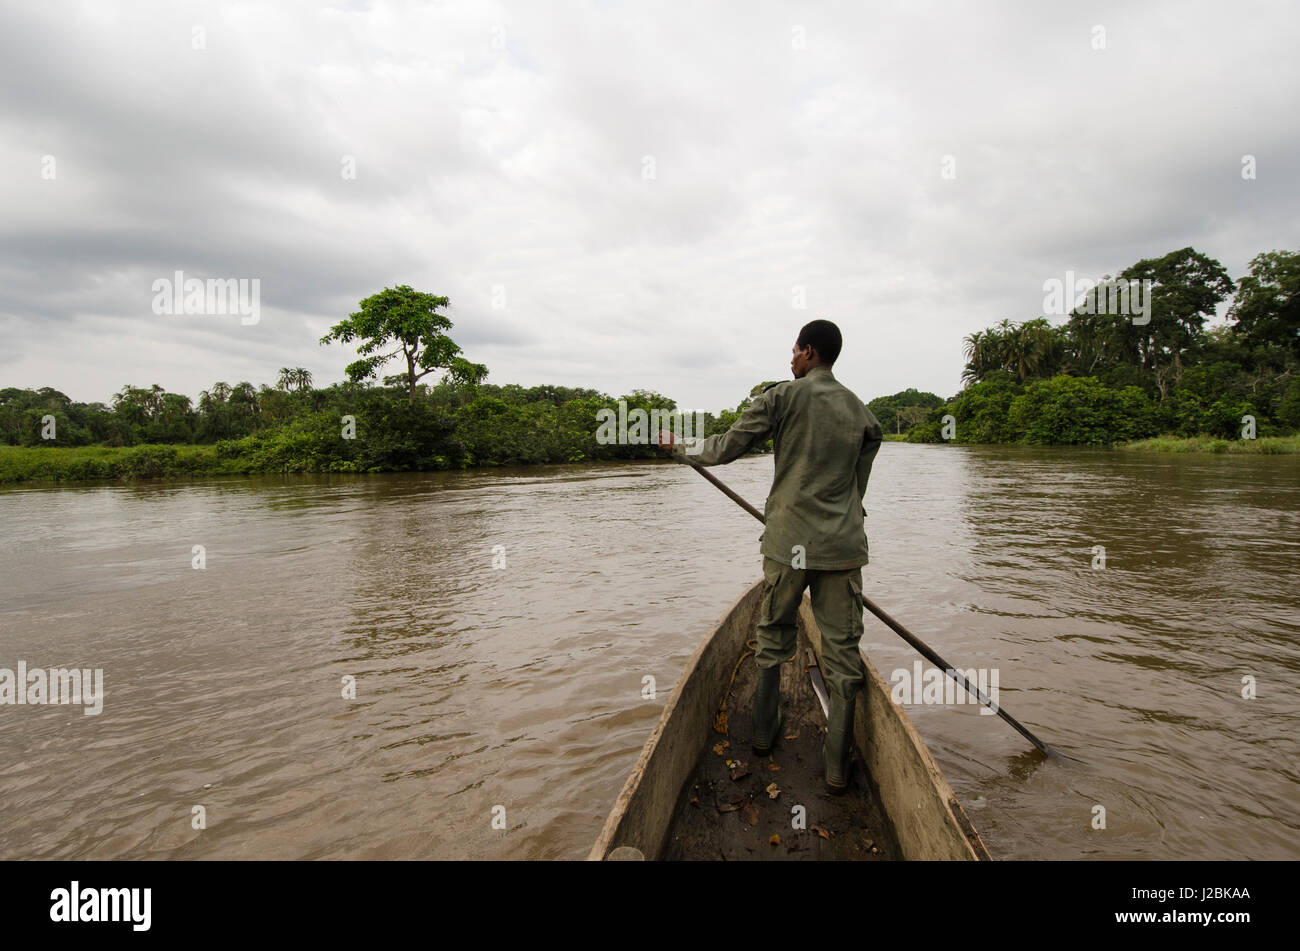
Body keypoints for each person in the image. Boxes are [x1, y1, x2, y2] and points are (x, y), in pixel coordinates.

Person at [656, 319, 883, 794]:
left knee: (773, 635)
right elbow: (856, 492)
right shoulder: (863, 414)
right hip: (842, 549)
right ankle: (837, 769)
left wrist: (677, 446)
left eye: (795, 351)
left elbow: (724, 449)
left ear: (810, 353)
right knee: (842, 657)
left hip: (787, 544)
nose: (791, 359)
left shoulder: (781, 397)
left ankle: (762, 736)